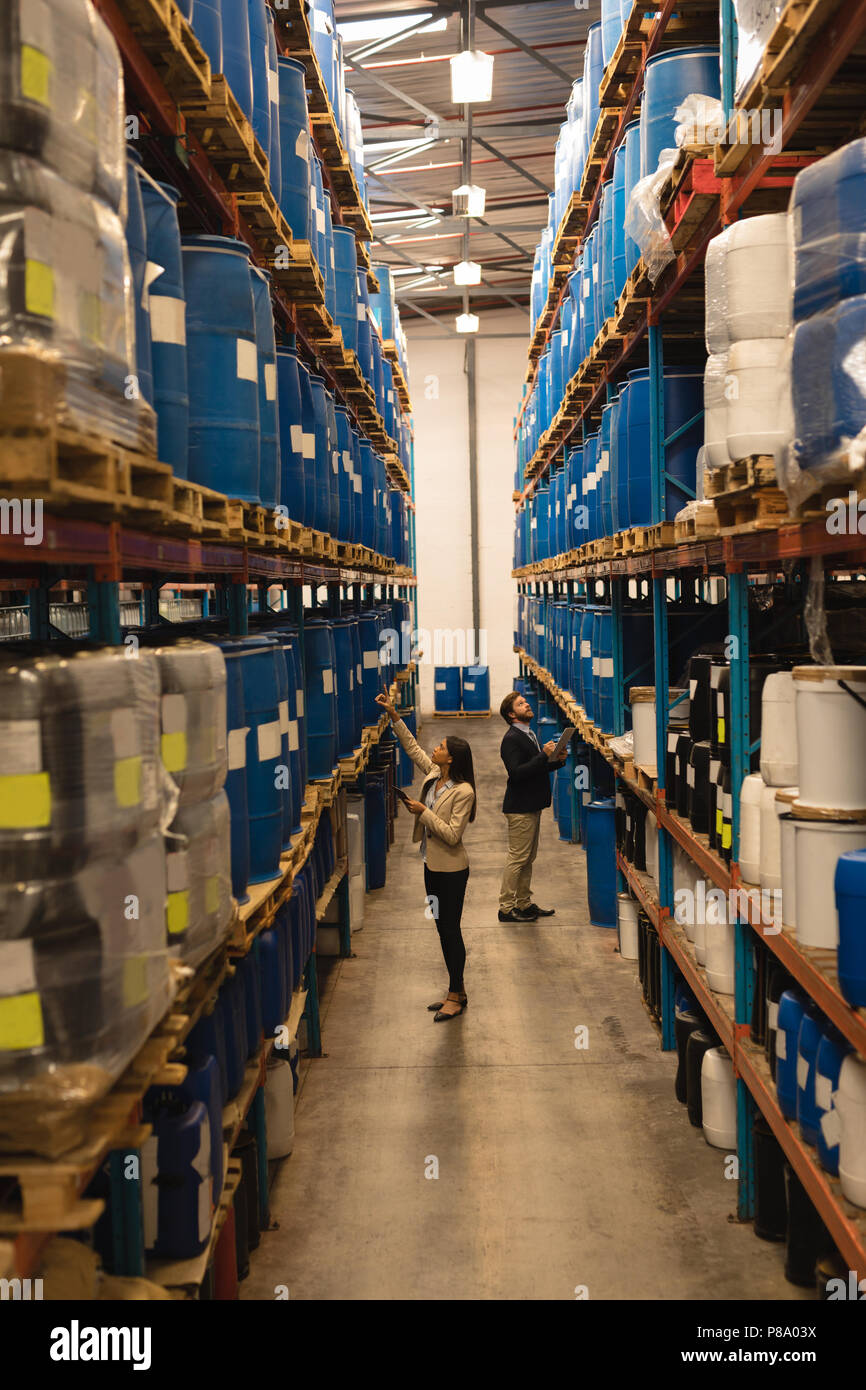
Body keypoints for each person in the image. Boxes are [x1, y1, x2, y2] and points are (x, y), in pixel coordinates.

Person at [375, 690, 477, 1021]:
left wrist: (422, 812)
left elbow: (451, 834)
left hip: (452, 869)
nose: (434, 748)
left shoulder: (464, 792)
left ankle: (455, 995)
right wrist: (393, 715)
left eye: (441, 747)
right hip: (430, 864)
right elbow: (412, 748)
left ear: (451, 759)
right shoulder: (434, 774)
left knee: (450, 929)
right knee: (440, 927)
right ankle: (456, 990)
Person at [497, 690, 565, 923]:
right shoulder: (511, 739)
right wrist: (542, 756)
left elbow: (536, 769)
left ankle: (523, 903)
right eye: (520, 703)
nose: (527, 705)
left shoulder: (528, 734)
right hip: (520, 808)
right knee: (517, 858)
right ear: (511, 714)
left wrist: (556, 760)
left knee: (527, 858)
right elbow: (516, 774)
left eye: (525, 702)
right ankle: (506, 908)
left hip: (532, 805)